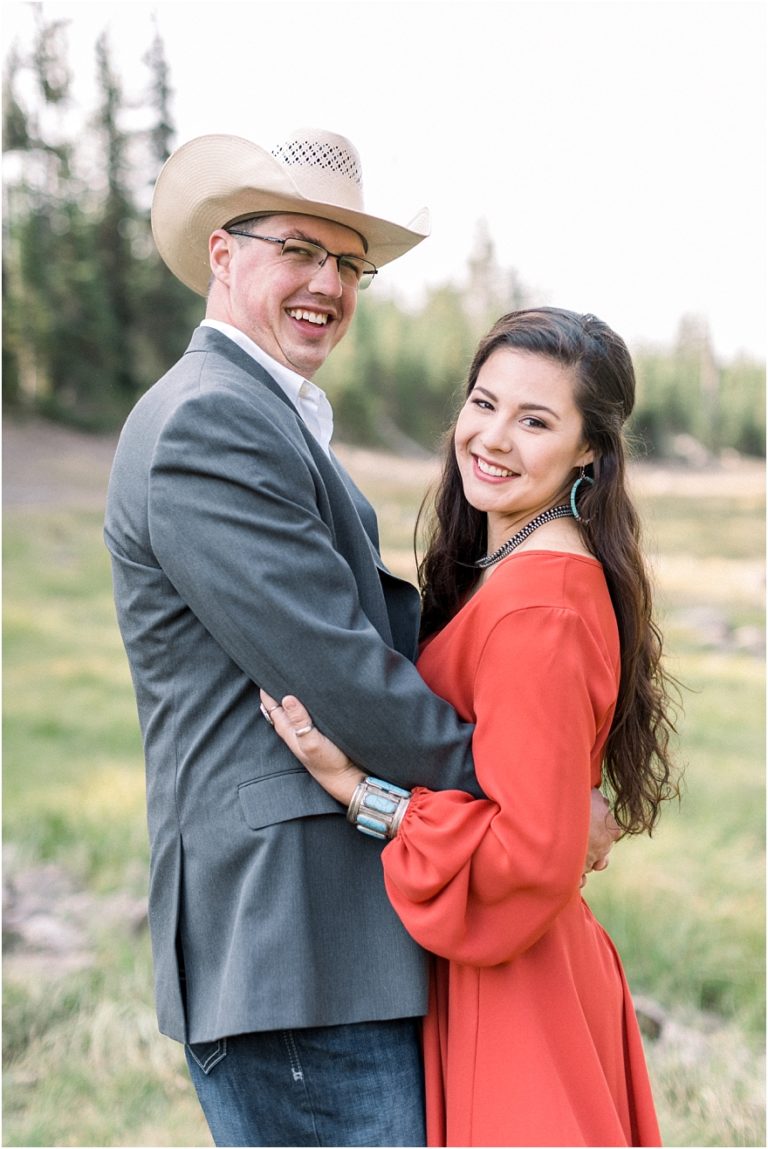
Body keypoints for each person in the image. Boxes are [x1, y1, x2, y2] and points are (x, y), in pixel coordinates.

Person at [104, 128, 618, 1149]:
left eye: (348, 264)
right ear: (224, 253)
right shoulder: (211, 422)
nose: (327, 284)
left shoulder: (264, 413)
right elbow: (337, 668)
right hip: (295, 945)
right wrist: (527, 793)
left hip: (323, 945)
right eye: (298, 248)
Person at [261, 307, 681, 1147]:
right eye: (483, 403)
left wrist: (356, 790)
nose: (492, 438)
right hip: (499, 966)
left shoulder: (542, 606)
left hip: (521, 982)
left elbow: (530, 853)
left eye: (535, 420)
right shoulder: (516, 568)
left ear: (589, 450)